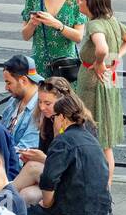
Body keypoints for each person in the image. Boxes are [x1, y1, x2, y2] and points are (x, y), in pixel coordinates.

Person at [28, 96, 112, 215]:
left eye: (54, 117)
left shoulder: (62, 141)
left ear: (63, 118)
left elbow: (48, 181)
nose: (53, 122)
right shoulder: (92, 140)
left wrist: (46, 203)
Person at [75, 0, 126, 189]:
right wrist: (115, 58)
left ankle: (99, 189)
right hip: (108, 83)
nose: (78, 1)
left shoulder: (94, 24)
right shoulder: (112, 20)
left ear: (91, 3)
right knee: (105, 142)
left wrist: (101, 62)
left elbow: (100, 48)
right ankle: (106, 189)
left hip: (93, 86)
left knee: (94, 139)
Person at [9, 76, 78, 205]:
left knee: (32, 168)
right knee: (26, 194)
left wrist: (43, 159)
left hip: (73, 179)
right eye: (39, 102)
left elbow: (73, 164)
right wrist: (32, 156)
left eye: (47, 103)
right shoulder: (46, 121)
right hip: (52, 177)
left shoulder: (75, 123)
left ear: (63, 103)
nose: (42, 107)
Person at [20, 0, 87, 78]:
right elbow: (25, 35)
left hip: (66, 67)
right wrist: (32, 24)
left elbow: (78, 37)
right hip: (39, 66)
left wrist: (57, 24)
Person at [0, 55, 42, 151]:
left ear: (23, 80)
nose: (6, 88)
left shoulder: (40, 109)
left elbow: (25, 151)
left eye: (9, 83)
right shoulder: (13, 101)